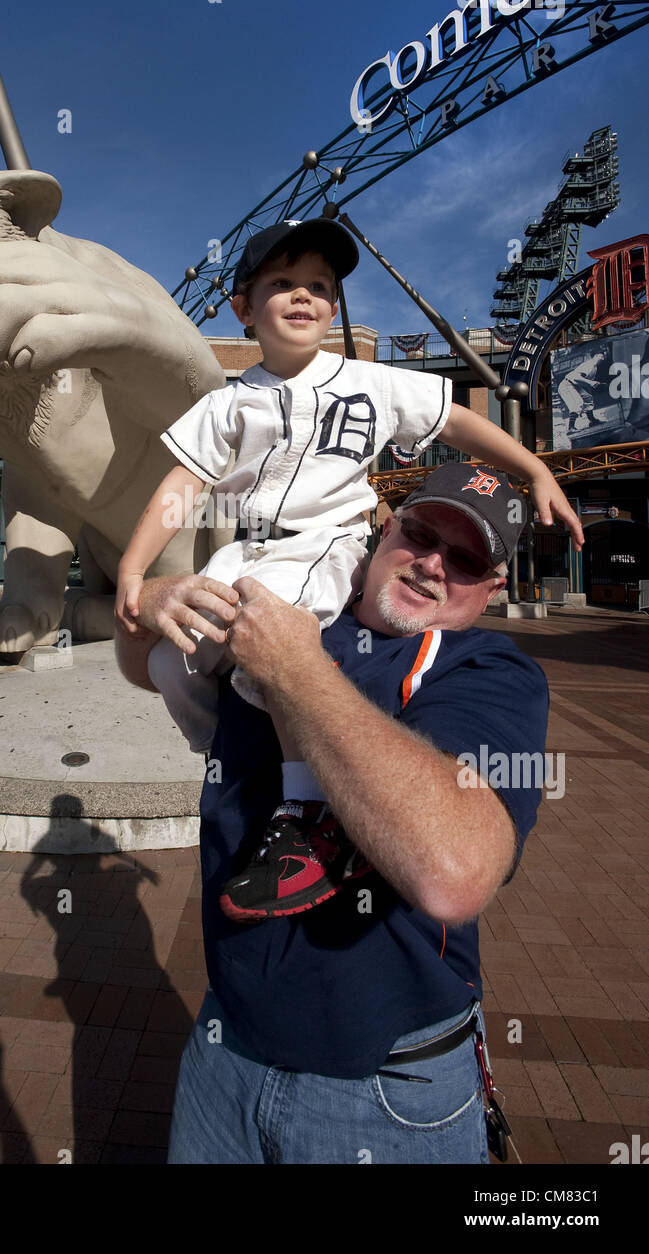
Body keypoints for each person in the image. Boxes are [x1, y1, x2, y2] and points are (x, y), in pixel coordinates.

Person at [116, 217, 582, 921]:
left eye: (318, 287)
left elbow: (457, 423)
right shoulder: (225, 403)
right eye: (281, 283)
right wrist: (132, 572)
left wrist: (533, 468)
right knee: (169, 664)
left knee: (273, 645)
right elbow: (182, 486)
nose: (303, 296)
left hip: (326, 542)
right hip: (249, 546)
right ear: (242, 307)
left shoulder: (370, 381)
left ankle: (301, 817)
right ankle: (215, 742)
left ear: (333, 307)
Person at [115, 462, 551, 1164]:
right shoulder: (284, 601)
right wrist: (149, 603)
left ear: (491, 589)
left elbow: (455, 873)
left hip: (386, 1087)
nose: (433, 565)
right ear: (385, 528)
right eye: (419, 534)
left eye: (466, 559)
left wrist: (293, 667)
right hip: (224, 1048)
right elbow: (143, 667)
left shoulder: (488, 672)